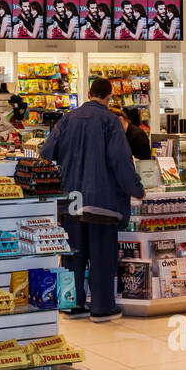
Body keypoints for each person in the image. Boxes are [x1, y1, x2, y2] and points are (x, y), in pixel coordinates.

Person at [41, 77, 144, 321]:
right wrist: (136, 188)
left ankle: (72, 304)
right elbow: (120, 160)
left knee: (73, 254)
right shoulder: (111, 121)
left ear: (88, 93)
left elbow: (46, 153)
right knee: (102, 255)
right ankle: (102, 308)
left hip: (71, 198)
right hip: (103, 200)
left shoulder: (67, 119)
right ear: (109, 97)